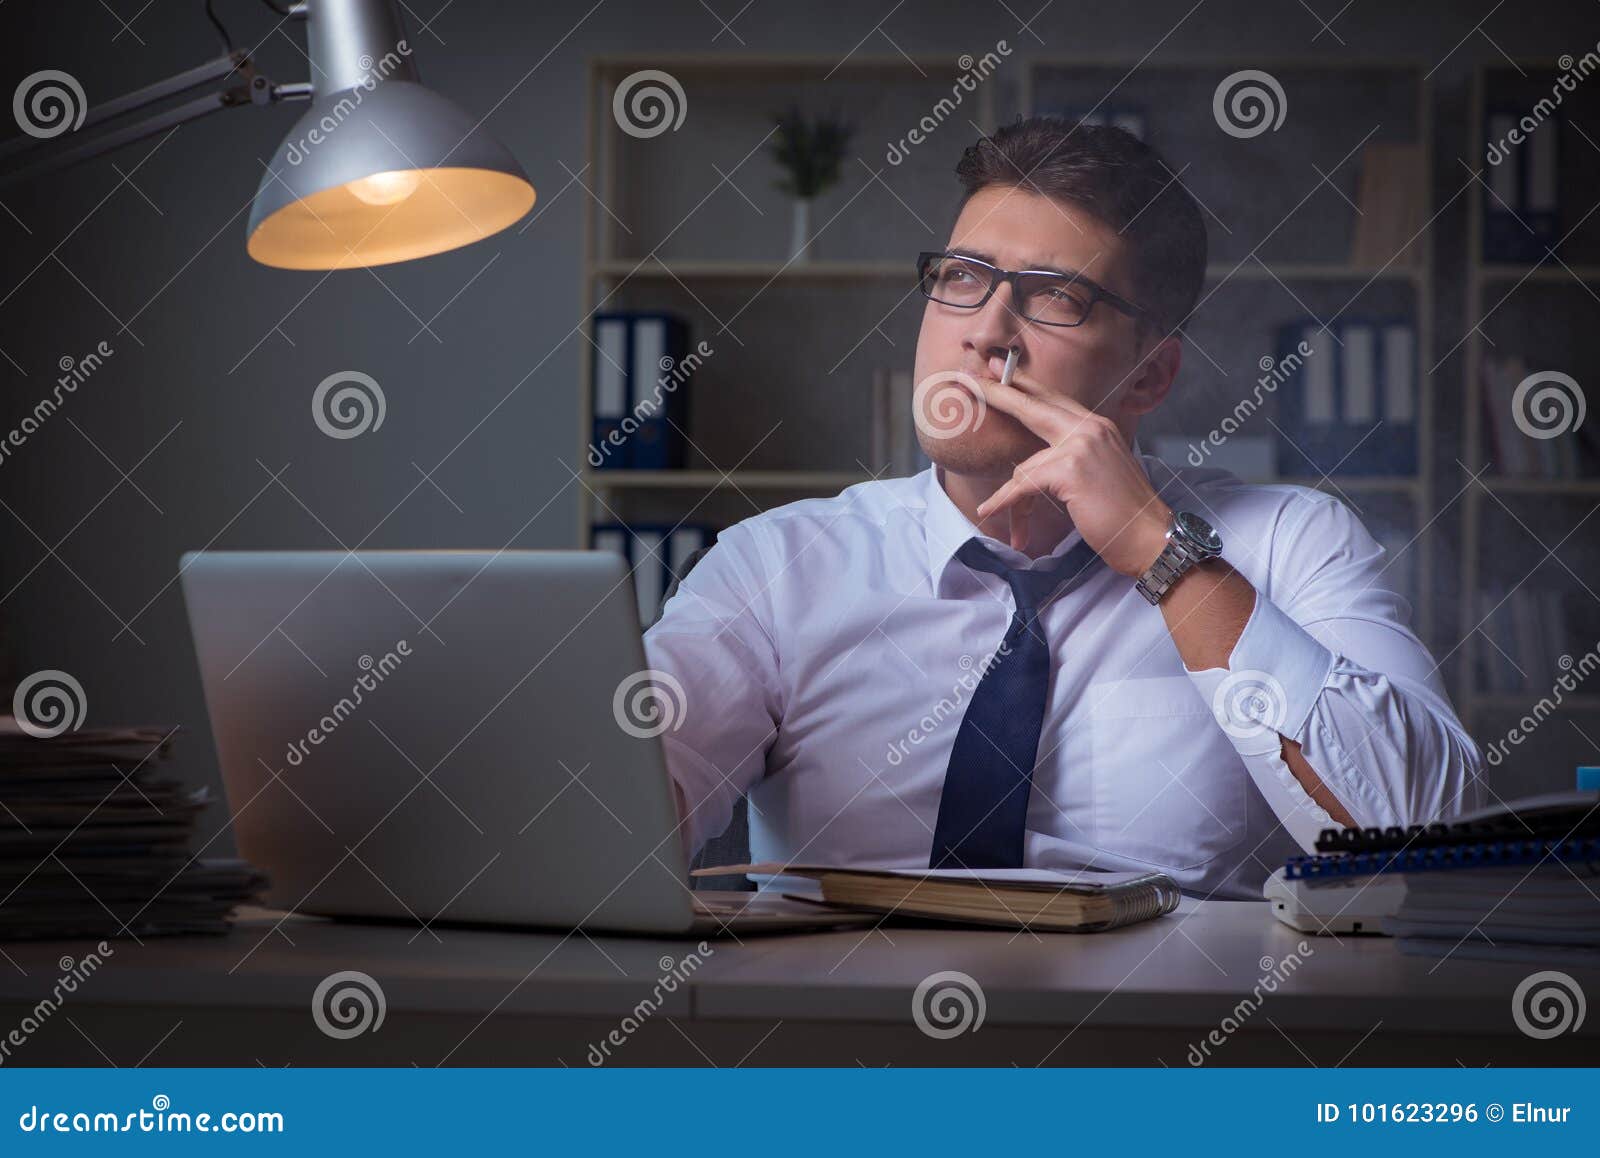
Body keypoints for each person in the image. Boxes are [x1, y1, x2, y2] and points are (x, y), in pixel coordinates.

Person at [642, 116, 1482, 899]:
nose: (987, 332)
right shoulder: (775, 568)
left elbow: (1423, 838)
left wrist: (1165, 556)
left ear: (1151, 373)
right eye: (962, 278)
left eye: (1053, 296)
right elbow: (603, 824)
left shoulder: (1293, 540)